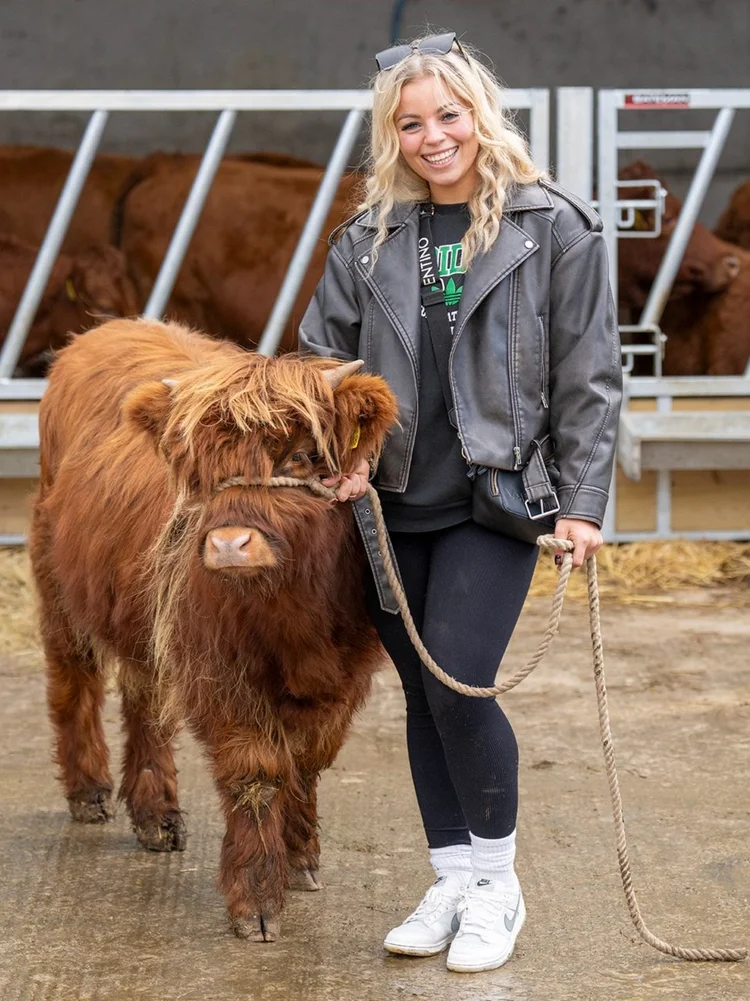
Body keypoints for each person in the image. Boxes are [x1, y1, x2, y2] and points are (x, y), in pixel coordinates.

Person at [299, 32, 621, 974]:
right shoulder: (365, 240)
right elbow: (325, 362)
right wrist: (340, 452)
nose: (434, 136)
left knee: (459, 681)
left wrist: (584, 502)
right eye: (411, 123)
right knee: (420, 694)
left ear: (480, 112)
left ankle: (499, 886)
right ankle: (452, 876)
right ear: (389, 136)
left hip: (498, 496)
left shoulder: (552, 225)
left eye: (448, 115)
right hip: (389, 502)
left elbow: (589, 376)